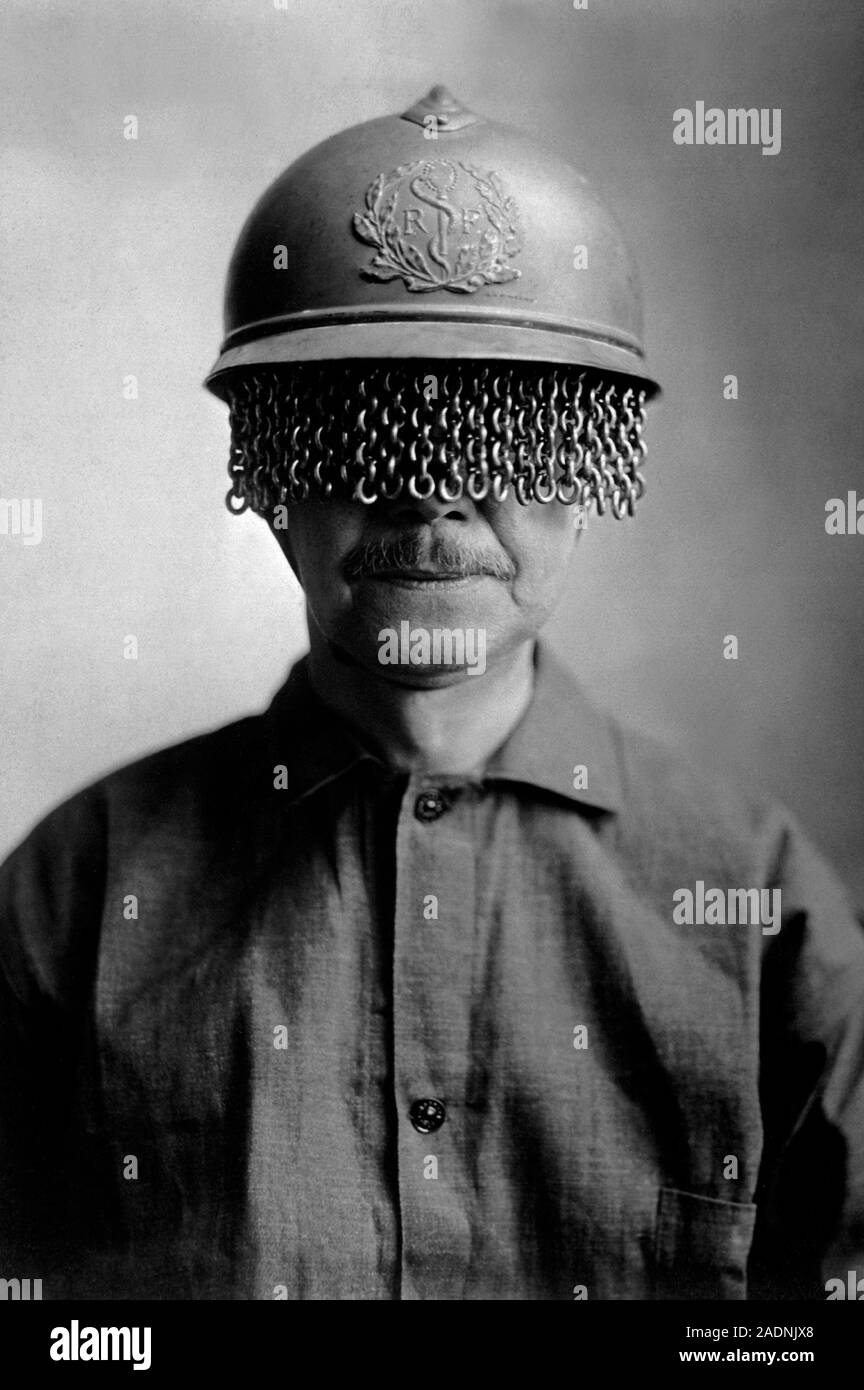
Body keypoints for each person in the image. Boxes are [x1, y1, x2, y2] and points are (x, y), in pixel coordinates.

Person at [1, 85, 862, 1302]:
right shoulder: (76, 894)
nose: (432, 491)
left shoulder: (762, 903)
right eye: (368, 431)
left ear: (588, 471)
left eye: (503, 429)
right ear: (273, 473)